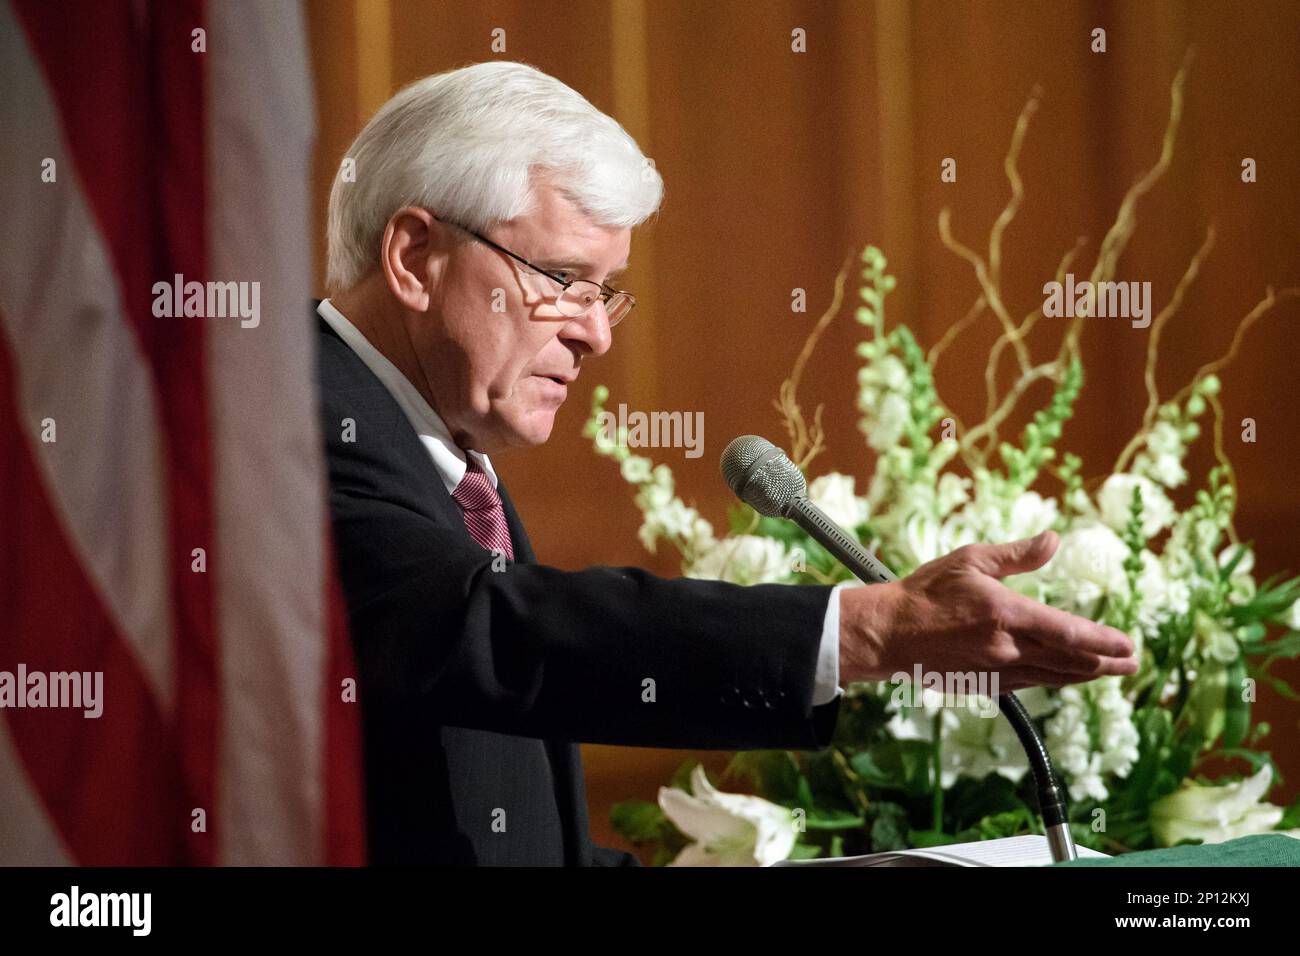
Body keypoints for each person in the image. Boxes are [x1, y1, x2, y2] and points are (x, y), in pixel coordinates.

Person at [315, 60, 1136, 866]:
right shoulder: (298, 431)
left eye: (605, 292)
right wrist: (867, 628)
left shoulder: (445, 461)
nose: (594, 334)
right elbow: (487, 632)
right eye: (562, 279)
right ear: (414, 256)